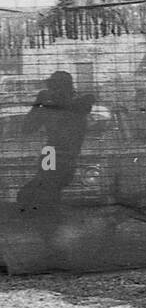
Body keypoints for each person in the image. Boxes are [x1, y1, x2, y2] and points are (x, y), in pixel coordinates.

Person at [17, 71, 94, 209]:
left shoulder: (78, 106)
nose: (52, 92)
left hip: (62, 158)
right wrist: (38, 105)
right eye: (52, 88)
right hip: (52, 155)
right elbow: (27, 128)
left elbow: (80, 107)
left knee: (41, 194)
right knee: (40, 195)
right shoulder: (50, 109)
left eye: (55, 87)